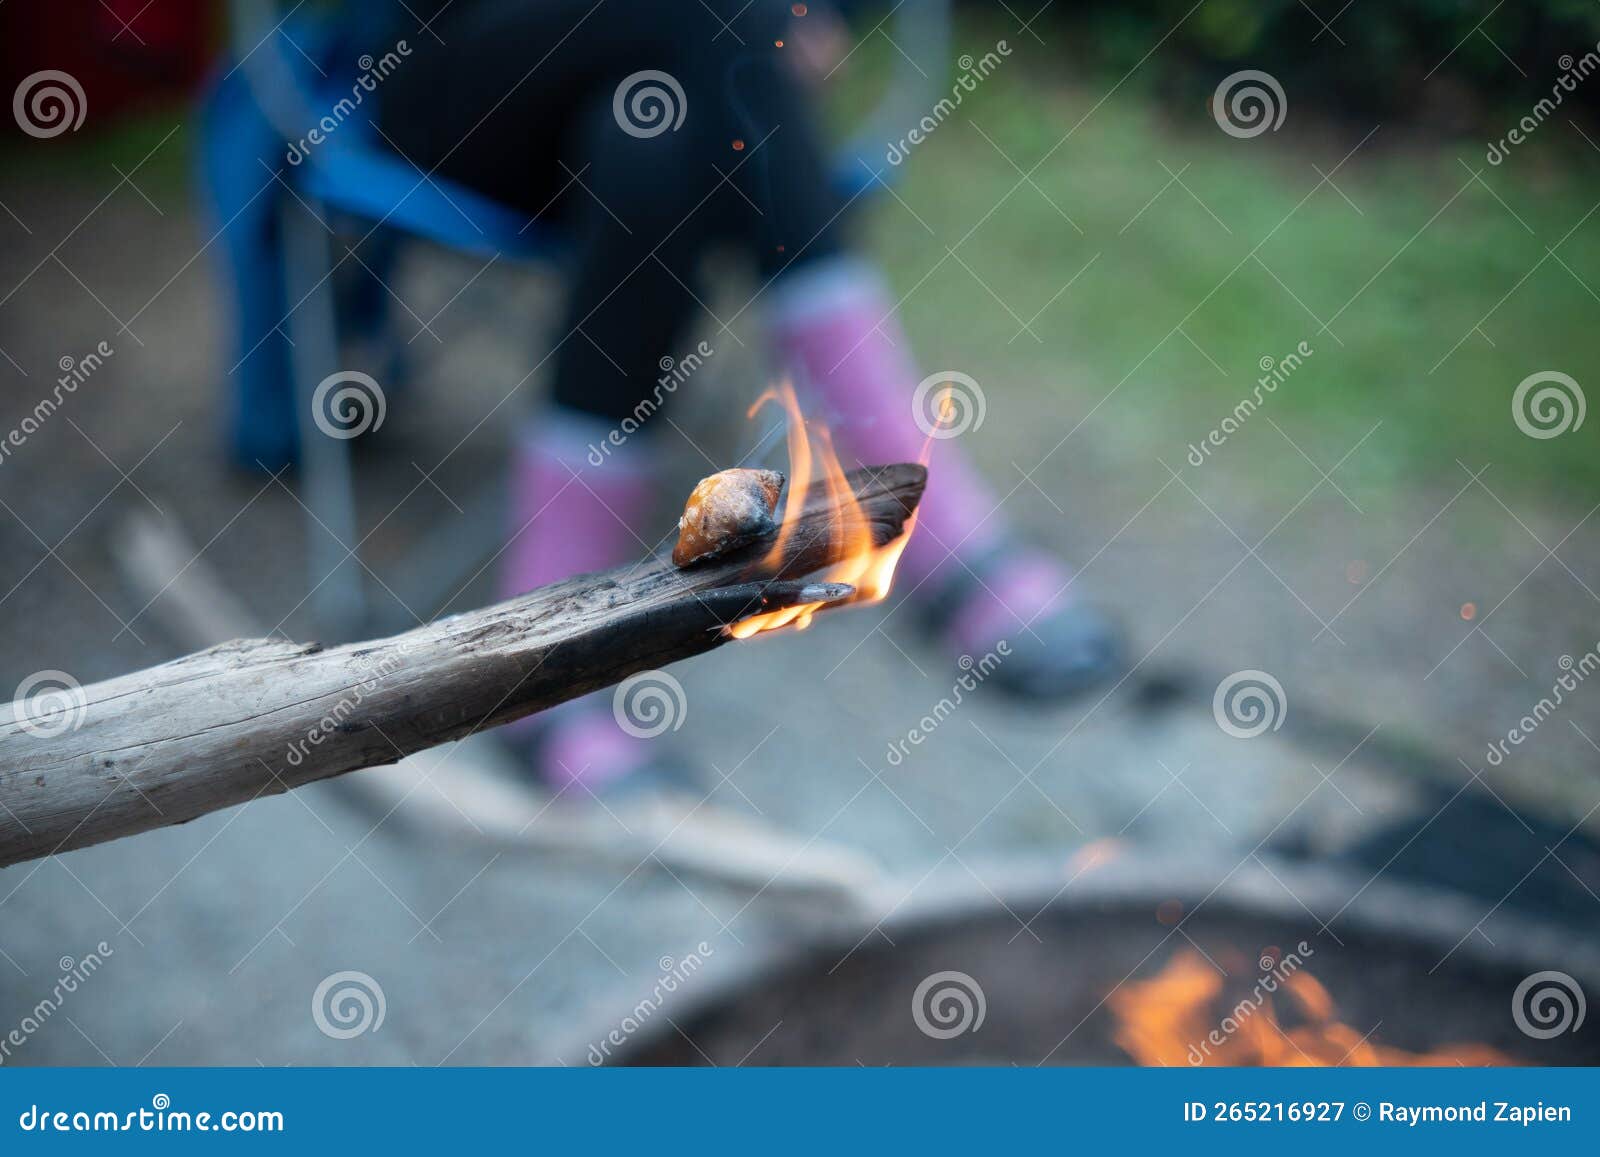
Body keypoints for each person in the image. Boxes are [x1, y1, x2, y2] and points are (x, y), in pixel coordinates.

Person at [377, 0, 1122, 794]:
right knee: (727, 24)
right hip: (455, 80)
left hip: (652, 94)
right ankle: (938, 531)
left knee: (653, 148)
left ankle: (541, 665)